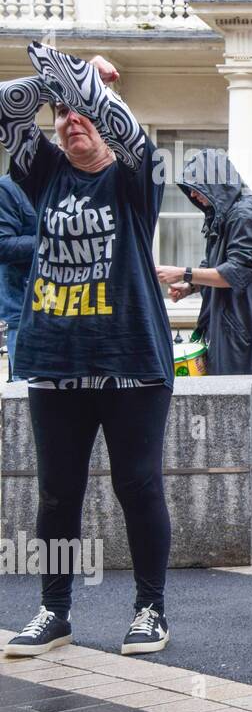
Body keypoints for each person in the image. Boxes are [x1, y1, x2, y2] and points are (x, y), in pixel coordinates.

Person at [1, 43, 173, 657]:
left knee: (138, 485)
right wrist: (58, 83)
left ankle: (150, 610)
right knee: (56, 492)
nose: (72, 122)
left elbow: (132, 133)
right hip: (54, 360)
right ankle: (54, 610)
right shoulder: (44, 173)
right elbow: (4, 109)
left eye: (84, 115)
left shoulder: (135, 177)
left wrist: (87, 85)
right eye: (62, 117)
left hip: (131, 363)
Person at [157, 150, 252, 375]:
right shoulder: (226, 214)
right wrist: (190, 287)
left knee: (235, 404)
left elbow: (236, 273)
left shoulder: (245, 215)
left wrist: (184, 273)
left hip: (242, 330)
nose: (193, 196)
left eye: (196, 187)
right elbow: (215, 263)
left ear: (214, 182)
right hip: (229, 326)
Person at [0, 172, 37, 379]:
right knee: (26, 397)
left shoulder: (53, 184)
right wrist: (53, 238)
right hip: (22, 313)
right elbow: (2, 246)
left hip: (60, 311)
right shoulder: (7, 188)